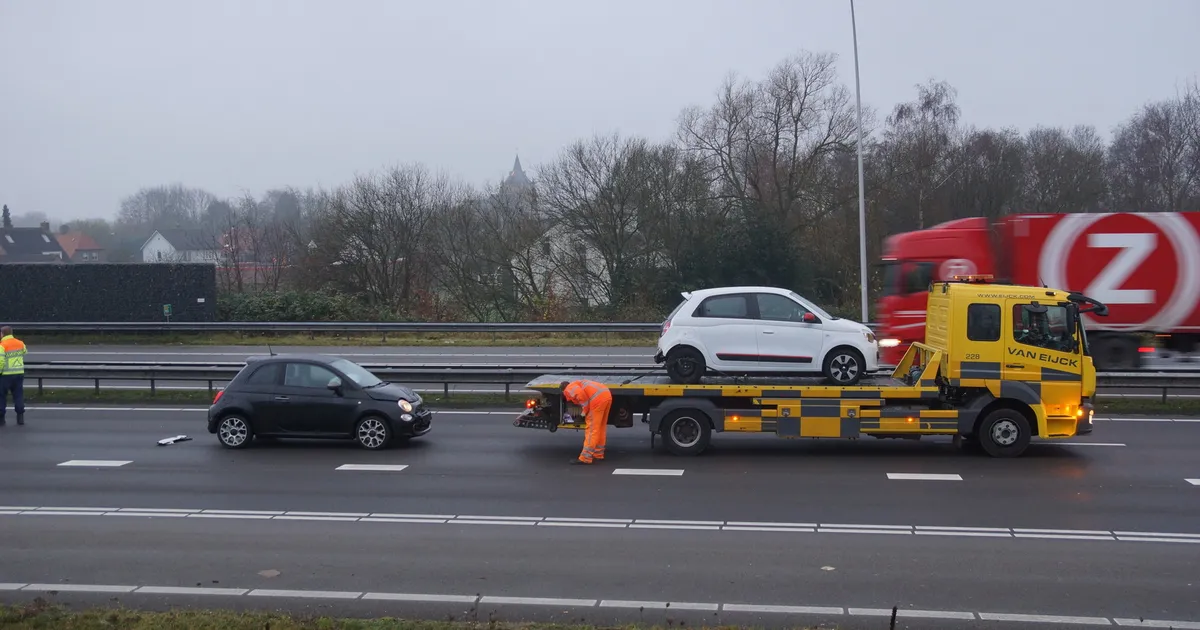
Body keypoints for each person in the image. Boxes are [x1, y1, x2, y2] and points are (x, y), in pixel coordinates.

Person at [560, 379, 612, 465]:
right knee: (600, 427)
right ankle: (598, 454)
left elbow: (581, 396)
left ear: (563, 390)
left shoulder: (569, 388)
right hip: (606, 395)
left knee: (591, 429)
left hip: (597, 400)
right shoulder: (578, 383)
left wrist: (584, 413)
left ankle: (585, 457)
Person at [0, 325, 27, 427]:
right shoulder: (20, 343)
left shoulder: (2, 345)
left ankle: (1, 419)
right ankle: (20, 418)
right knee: (18, 395)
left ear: (2, 334)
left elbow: (1, 361)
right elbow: (24, 351)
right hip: (18, 374)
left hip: (5, 375)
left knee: (1, 396)